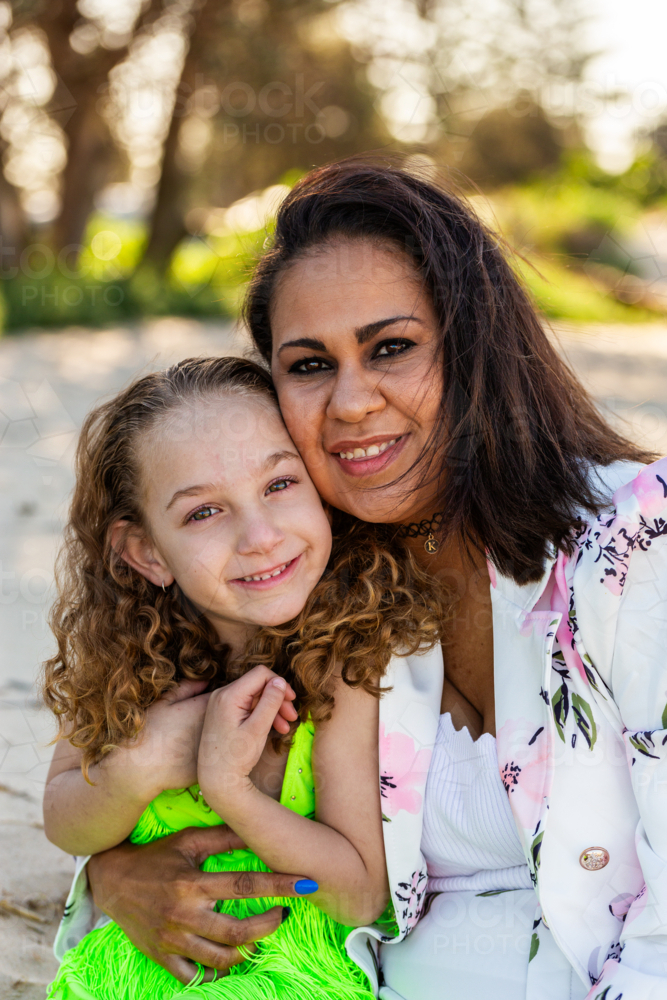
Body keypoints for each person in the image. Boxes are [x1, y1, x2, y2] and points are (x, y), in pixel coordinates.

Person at [53, 157, 667, 1000]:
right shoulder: (321, 580)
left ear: (476, 347)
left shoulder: (636, 546)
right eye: (308, 365)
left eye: (392, 348)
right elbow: (159, 789)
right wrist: (117, 876)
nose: (350, 401)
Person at [42, 354, 447, 998]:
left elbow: (363, 892)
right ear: (147, 552)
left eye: (279, 485)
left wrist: (230, 788)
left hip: (291, 977)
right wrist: (139, 766)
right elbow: (66, 820)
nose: (259, 535)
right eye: (203, 512)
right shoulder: (124, 658)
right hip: (131, 972)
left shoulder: (350, 657)